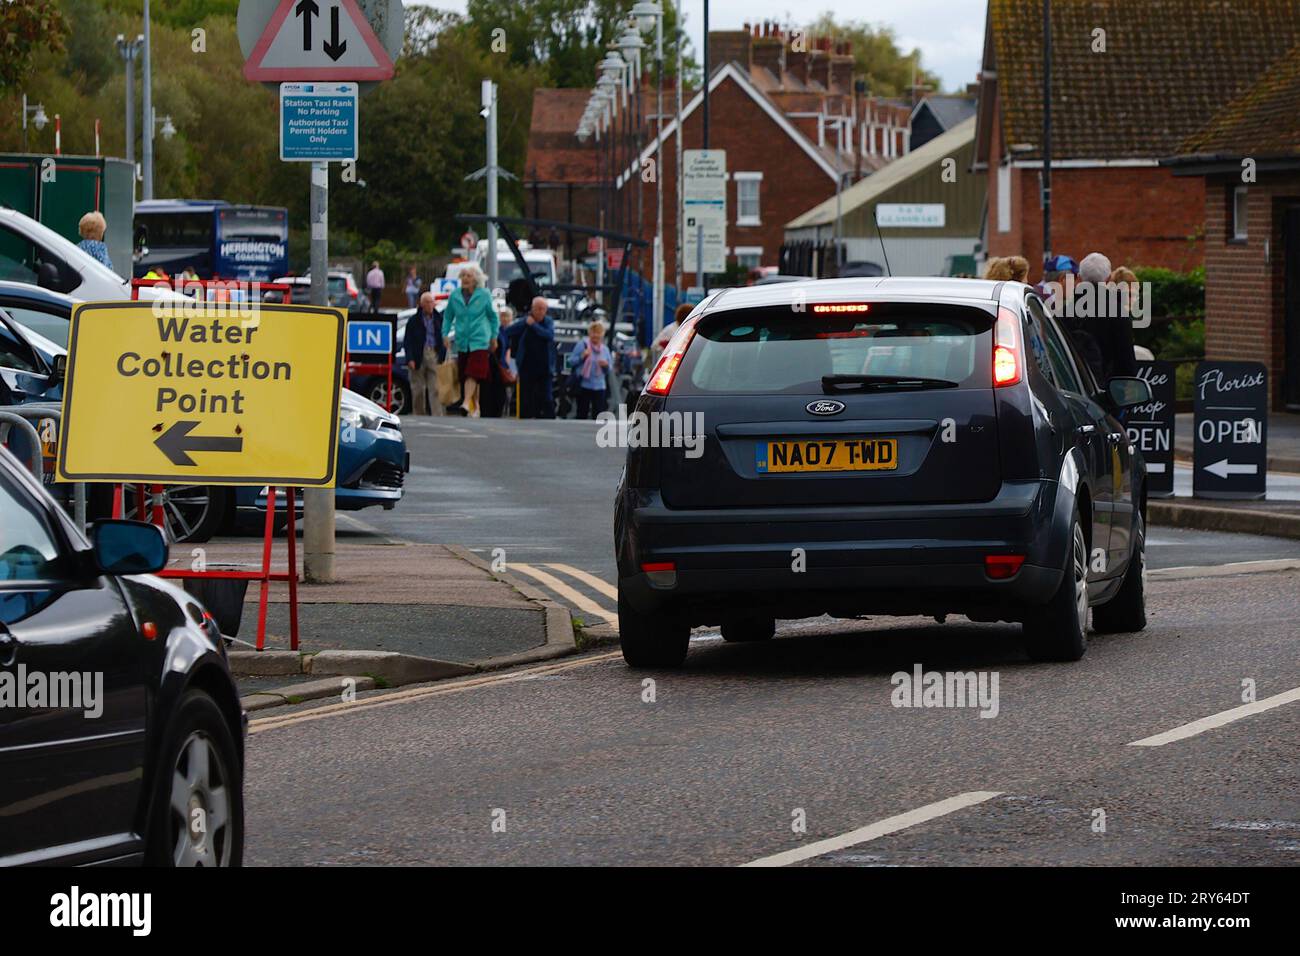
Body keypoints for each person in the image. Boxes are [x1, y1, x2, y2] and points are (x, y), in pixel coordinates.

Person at [441, 263, 498, 417]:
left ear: (476, 279)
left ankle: (466, 402)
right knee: (467, 375)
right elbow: (448, 317)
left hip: (479, 340)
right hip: (462, 341)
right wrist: (445, 334)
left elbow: (493, 317)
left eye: (469, 276)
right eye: (463, 275)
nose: (465, 278)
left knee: (473, 372)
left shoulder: (484, 295)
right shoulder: (455, 295)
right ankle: (475, 407)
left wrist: (494, 336)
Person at [1072, 251, 1137, 383]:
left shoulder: (1062, 311)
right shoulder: (1118, 313)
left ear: (1078, 277)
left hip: (1071, 386)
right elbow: (1126, 361)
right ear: (1108, 280)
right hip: (1108, 389)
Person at [505, 296, 556, 418]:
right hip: (527, 365)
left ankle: (548, 417)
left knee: (546, 396)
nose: (539, 312)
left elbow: (549, 335)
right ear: (532, 309)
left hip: (544, 366)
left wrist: (533, 325)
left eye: (542, 309)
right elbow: (509, 331)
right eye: (537, 309)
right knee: (526, 395)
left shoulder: (548, 322)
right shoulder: (525, 321)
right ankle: (525, 416)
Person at [403, 291, 447, 416]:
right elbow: (408, 341)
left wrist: (442, 354)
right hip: (419, 353)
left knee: (435, 388)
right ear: (421, 304)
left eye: (431, 302)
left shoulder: (439, 319)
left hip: (433, 352)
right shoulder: (414, 320)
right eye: (426, 302)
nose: (429, 305)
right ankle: (419, 413)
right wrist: (410, 358)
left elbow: (443, 337)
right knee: (418, 388)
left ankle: (437, 415)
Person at [567, 320, 613, 419]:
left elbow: (609, 369)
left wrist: (605, 365)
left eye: (598, 333)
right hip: (584, 385)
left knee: (598, 415)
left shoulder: (605, 350)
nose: (595, 335)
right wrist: (582, 356)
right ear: (589, 333)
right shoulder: (582, 345)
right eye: (593, 332)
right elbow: (570, 361)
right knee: (582, 413)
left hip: (600, 386)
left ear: (602, 334)